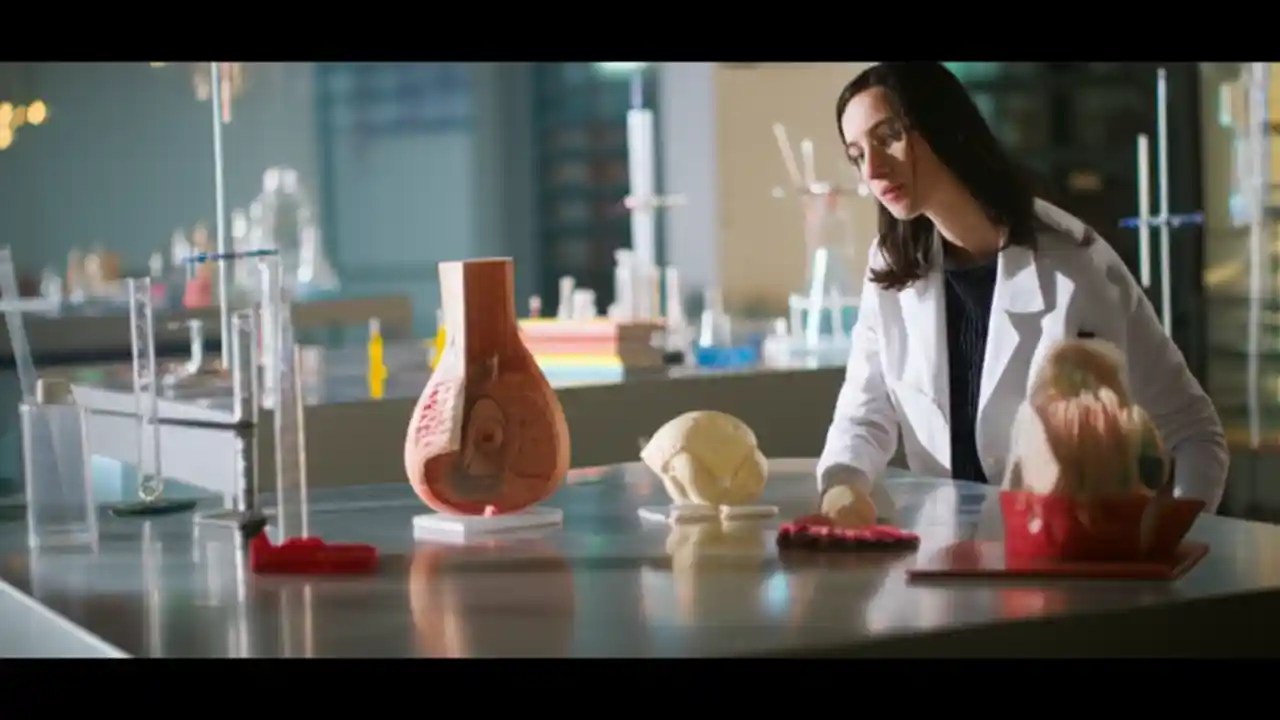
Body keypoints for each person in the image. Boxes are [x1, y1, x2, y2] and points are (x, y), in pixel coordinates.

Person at [814, 62, 1229, 521]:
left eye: (887, 135)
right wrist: (842, 491)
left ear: (940, 123)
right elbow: (864, 415)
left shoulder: (1073, 265)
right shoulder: (890, 267)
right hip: (942, 562)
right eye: (857, 154)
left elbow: (1193, 432)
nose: (872, 168)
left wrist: (1177, 538)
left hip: (1057, 564)